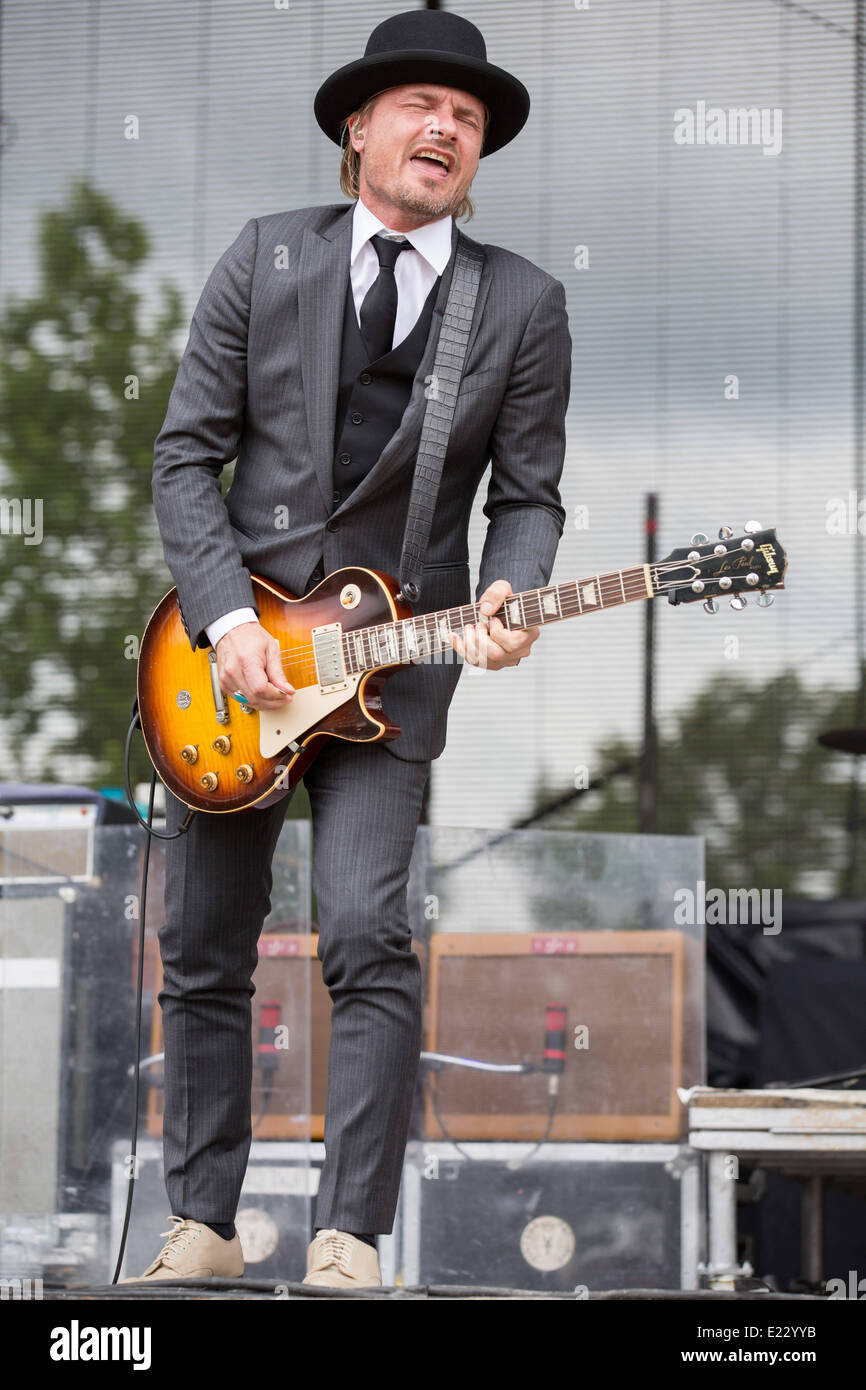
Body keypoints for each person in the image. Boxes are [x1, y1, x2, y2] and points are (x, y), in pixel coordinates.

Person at [127, 8, 571, 1288]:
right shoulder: (266, 256)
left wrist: (514, 591)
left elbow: (528, 495)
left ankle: (346, 1240)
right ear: (358, 127)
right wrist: (221, 624)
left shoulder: (521, 303)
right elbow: (182, 457)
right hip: (231, 669)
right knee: (205, 946)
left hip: (393, 682)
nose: (446, 128)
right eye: (423, 105)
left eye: (469, 119)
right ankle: (201, 1225)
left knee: (369, 938)